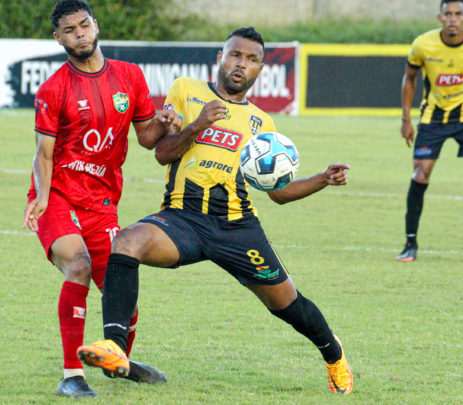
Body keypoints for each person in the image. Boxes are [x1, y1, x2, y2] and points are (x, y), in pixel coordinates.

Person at [77, 27, 354, 395]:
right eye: (235, 55)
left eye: (252, 59)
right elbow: (162, 152)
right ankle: (114, 346)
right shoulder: (186, 90)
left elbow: (279, 192)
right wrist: (198, 123)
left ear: (260, 70)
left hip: (237, 227)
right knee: (126, 242)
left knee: (287, 304)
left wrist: (322, 178)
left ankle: (333, 353)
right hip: (181, 218)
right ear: (219, 58)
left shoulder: (262, 124)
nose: (242, 64)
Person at [21, 0, 181, 398]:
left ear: (96, 25)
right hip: (57, 196)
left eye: (84, 25)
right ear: (58, 37)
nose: (80, 34)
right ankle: (72, 375)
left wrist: (162, 123)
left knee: (120, 282)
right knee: (78, 264)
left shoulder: (130, 77)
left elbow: (146, 139)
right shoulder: (53, 88)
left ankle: (119, 362)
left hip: (102, 203)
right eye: (70, 29)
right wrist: (42, 196)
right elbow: (43, 153)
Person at [397, 0, 463, 263]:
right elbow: (409, 78)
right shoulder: (423, 44)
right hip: (432, 120)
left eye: (458, 14)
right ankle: (410, 244)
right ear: (440, 17)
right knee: (421, 173)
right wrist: (406, 119)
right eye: (448, 14)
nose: (453, 19)